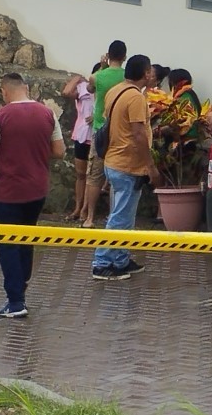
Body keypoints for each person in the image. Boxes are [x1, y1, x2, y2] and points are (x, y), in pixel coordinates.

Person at [0, 73, 65, 318]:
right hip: (37, 189)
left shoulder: (0, 117)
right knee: (26, 239)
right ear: (26, 88)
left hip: (10, 191)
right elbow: (59, 151)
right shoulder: (48, 114)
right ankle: (21, 288)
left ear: (4, 91)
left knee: (8, 244)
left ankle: (15, 300)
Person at [91, 54, 160, 281]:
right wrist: (150, 166)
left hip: (115, 160)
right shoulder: (136, 98)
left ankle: (120, 259)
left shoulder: (116, 90)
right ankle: (101, 263)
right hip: (128, 164)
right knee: (119, 217)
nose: (152, 74)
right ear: (144, 74)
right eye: (149, 71)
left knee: (123, 216)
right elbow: (138, 133)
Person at [83, 39, 127, 227]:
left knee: (94, 175)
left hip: (100, 129)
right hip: (119, 131)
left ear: (108, 56)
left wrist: (101, 67)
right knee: (117, 174)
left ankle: (90, 217)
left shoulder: (98, 76)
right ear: (125, 57)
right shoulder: (127, 77)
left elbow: (89, 88)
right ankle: (112, 217)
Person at [61, 63, 100, 222]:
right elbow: (66, 92)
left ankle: (87, 209)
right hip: (82, 134)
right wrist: (77, 77)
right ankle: (78, 207)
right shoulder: (84, 88)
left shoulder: (107, 91)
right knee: (80, 174)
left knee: (94, 176)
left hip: (97, 135)